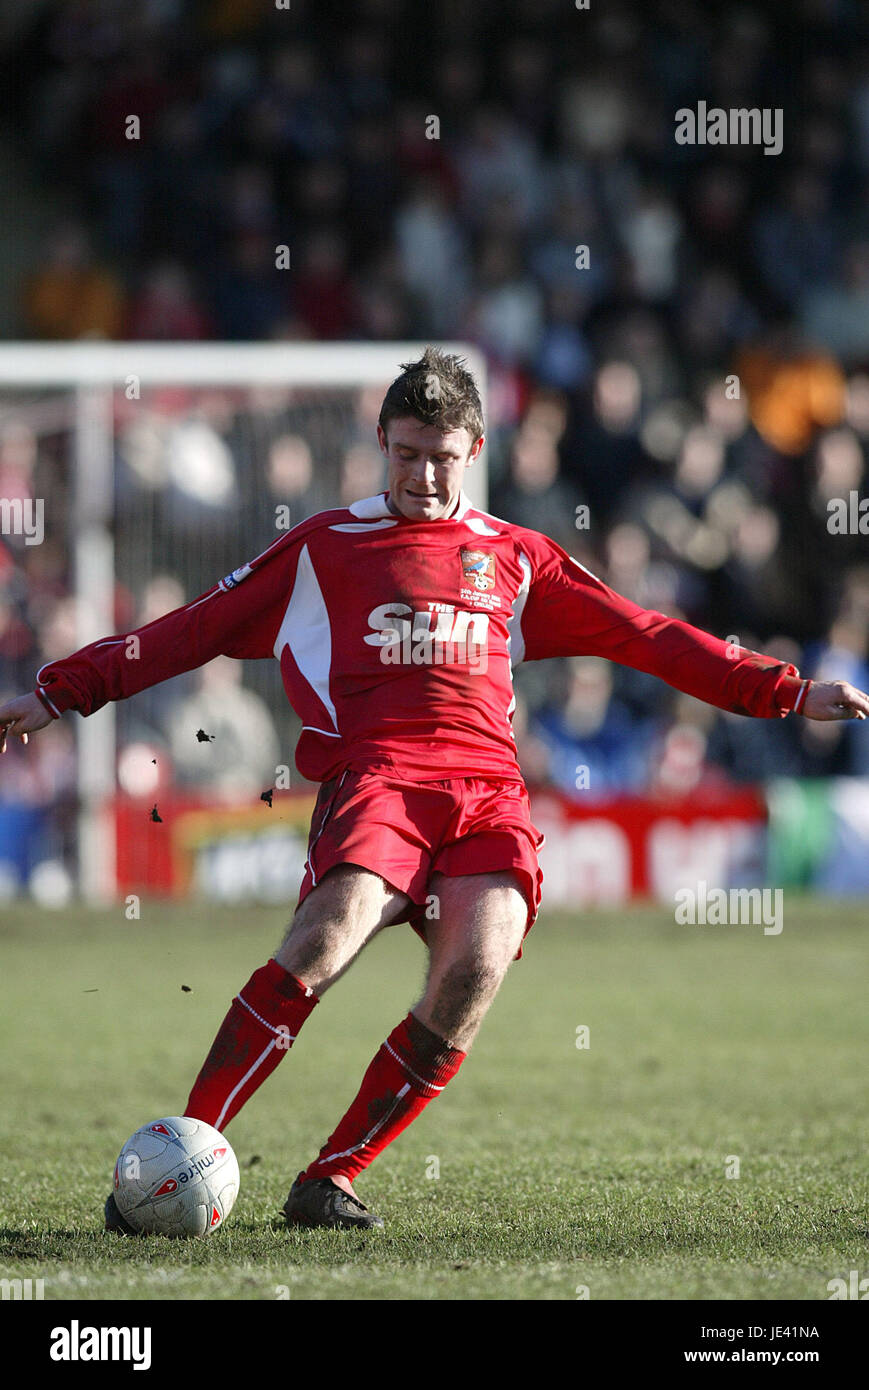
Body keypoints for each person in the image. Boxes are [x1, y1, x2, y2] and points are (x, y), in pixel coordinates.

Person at [2, 349, 866, 1232]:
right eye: (406, 453)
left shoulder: (517, 557)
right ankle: (180, 1158)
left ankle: (328, 1178)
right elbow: (190, 631)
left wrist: (784, 688)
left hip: (489, 793)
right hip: (377, 781)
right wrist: (62, 690)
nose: (421, 474)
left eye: (440, 457)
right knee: (326, 936)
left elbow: (645, 634)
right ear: (382, 441)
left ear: (474, 449)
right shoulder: (324, 549)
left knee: (476, 967)